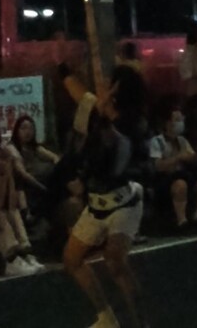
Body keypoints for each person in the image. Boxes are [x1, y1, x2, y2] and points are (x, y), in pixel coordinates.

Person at [60, 70, 148, 328]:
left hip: (123, 202)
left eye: (109, 84)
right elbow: (77, 91)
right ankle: (106, 318)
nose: (102, 86)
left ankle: (142, 325)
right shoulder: (98, 112)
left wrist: (100, 110)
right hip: (97, 202)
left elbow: (113, 158)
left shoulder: (130, 126)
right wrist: (64, 69)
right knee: (71, 260)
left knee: (115, 261)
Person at [148, 104, 197, 231]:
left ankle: (196, 217)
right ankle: (181, 221)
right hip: (165, 181)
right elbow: (158, 166)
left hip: (185, 176)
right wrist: (177, 158)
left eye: (182, 119)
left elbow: (192, 158)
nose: (181, 123)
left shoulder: (183, 141)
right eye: (177, 120)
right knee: (180, 184)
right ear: (167, 123)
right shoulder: (156, 141)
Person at [0, 142, 43, 275]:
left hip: (1, 216)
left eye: (1, 158)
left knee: (13, 212)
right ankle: (10, 259)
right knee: (0, 215)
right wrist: (5, 178)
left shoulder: (3, 177)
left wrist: (9, 176)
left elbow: (11, 204)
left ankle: (25, 253)